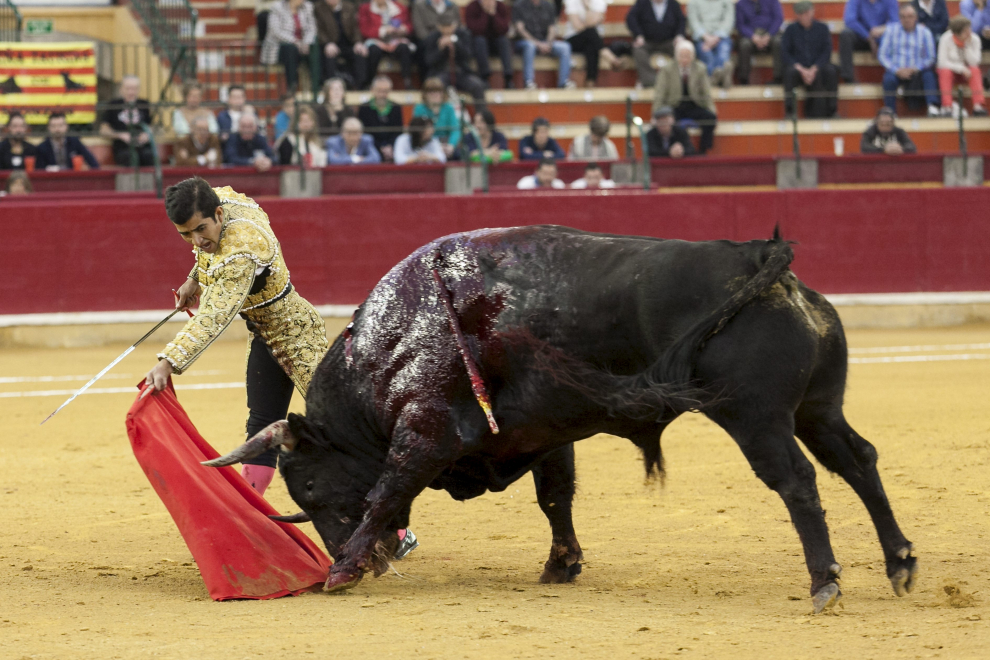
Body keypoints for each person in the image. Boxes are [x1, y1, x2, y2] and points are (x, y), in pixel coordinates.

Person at [146, 177, 419, 559]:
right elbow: (207, 251)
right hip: (265, 334)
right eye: (185, 234)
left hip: (297, 335)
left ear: (218, 215)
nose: (196, 240)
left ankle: (398, 529)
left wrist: (168, 361)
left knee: (343, 433)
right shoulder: (220, 203)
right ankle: (249, 517)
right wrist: (194, 278)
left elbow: (214, 316)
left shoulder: (242, 251)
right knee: (262, 424)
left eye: (201, 229)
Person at [652, 40, 717, 154]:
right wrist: (655, 114)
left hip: (694, 105)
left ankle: (703, 150)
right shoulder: (667, 69)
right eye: (682, 56)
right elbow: (659, 94)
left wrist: (712, 110)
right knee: (669, 123)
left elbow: (706, 94)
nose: (685, 59)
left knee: (710, 119)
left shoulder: (700, 68)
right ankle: (676, 150)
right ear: (677, 56)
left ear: (692, 57)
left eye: (687, 56)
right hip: (674, 106)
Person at [878, 4, 938, 116]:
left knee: (929, 75)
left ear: (916, 17)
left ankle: (932, 107)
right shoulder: (890, 31)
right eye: (903, 17)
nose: (907, 19)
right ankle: (891, 112)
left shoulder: (925, 32)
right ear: (899, 18)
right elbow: (882, 55)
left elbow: (931, 57)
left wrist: (915, 69)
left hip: (918, 70)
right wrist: (896, 70)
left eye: (910, 16)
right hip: (896, 70)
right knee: (888, 80)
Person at [781, 1, 839, 118]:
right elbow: (785, 53)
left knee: (831, 71)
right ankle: (790, 111)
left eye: (807, 13)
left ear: (812, 12)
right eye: (802, 14)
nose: (805, 16)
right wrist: (801, 69)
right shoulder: (790, 30)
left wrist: (814, 68)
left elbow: (826, 52)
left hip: (817, 67)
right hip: (798, 67)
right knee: (789, 73)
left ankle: (832, 110)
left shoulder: (822, 28)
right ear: (797, 15)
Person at [423, 14, 488, 101]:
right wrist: (440, 49)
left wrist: (456, 43)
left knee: (477, 85)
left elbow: (468, 56)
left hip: (462, 73)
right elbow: (429, 61)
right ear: (438, 26)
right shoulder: (432, 37)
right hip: (440, 73)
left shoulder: (463, 34)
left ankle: (481, 113)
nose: (447, 29)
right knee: (436, 86)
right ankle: (440, 114)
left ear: (455, 25)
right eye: (444, 26)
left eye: (449, 26)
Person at [512, 0, 575, 89]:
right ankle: (529, 82)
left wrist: (548, 43)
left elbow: (552, 28)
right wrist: (537, 43)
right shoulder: (519, 5)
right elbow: (520, 29)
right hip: (525, 42)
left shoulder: (548, 5)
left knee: (565, 47)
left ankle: (563, 82)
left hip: (545, 41)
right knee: (529, 46)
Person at [625, 0, 687, 88]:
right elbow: (631, 18)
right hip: (647, 41)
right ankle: (651, 82)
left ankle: (678, 83)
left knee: (682, 50)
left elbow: (682, 21)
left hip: (669, 41)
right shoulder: (642, 3)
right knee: (638, 50)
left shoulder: (674, 4)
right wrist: (638, 35)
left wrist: (679, 35)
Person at [260, 0, 317, 94]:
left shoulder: (307, 6)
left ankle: (315, 86)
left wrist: (306, 42)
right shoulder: (277, 7)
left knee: (314, 49)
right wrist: (295, 41)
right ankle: (292, 86)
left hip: (302, 46)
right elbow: (275, 31)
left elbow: (312, 28)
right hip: (279, 46)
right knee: (290, 50)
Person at [358, 0, 415, 90]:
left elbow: (409, 25)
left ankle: (407, 81)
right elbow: (364, 30)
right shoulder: (365, 8)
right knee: (373, 50)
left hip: (395, 40)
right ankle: (369, 82)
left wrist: (403, 29)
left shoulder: (400, 8)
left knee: (404, 48)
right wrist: (384, 30)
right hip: (376, 40)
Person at [937, 16, 987, 116]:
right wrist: (961, 68)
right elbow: (941, 62)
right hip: (951, 72)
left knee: (975, 70)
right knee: (945, 71)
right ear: (956, 33)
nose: (969, 32)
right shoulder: (945, 39)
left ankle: (978, 106)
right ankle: (947, 107)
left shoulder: (974, 39)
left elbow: (975, 62)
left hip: (967, 74)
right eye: (965, 31)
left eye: (969, 28)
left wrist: (966, 45)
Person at [100, 75, 155, 166]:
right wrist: (121, 135)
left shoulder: (144, 104)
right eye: (128, 88)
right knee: (130, 157)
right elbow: (103, 130)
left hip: (143, 146)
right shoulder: (113, 105)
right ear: (121, 89)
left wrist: (147, 134)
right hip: (123, 148)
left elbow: (152, 126)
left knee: (149, 156)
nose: (131, 92)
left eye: (134, 89)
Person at [840, 0, 899, 83]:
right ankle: (848, 78)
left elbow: (896, 22)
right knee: (846, 34)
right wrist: (867, 36)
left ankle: (894, 77)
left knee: (896, 36)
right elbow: (850, 21)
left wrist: (882, 29)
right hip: (861, 37)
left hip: (882, 38)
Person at [314, 0, 368, 90]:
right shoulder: (318, 8)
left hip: (348, 44)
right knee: (329, 55)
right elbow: (318, 29)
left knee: (360, 53)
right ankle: (330, 87)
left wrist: (358, 42)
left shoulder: (349, 7)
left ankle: (360, 87)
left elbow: (355, 27)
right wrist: (327, 43)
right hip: (329, 44)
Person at [465, 0, 514, 89]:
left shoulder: (501, 6)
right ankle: (484, 77)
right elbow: (475, 30)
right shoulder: (472, 7)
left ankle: (508, 77)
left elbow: (503, 29)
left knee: (504, 41)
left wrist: (494, 14)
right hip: (478, 45)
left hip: (496, 44)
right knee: (480, 41)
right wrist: (485, 13)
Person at [688, 0, 735, 88]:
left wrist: (715, 37)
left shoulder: (727, 2)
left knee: (723, 54)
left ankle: (715, 80)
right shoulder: (694, 2)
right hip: (702, 38)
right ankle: (722, 79)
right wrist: (706, 38)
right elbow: (693, 22)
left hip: (722, 37)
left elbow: (728, 21)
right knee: (707, 56)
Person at [735, 0, 784, 85]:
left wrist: (768, 35)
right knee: (744, 44)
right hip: (751, 36)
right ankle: (744, 80)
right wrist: (752, 36)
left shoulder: (773, 1)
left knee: (779, 42)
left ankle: (778, 78)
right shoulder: (741, 4)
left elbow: (778, 19)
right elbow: (740, 24)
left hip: (770, 34)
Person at [357, 75, 404, 161]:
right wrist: (381, 147)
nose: (382, 94)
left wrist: (390, 146)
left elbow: (398, 131)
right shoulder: (364, 108)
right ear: (372, 90)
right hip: (371, 147)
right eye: (379, 91)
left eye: (385, 91)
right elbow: (364, 132)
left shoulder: (396, 107)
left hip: (392, 147)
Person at [412, 77, 461, 158]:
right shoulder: (419, 109)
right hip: (426, 143)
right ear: (425, 94)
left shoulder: (448, 108)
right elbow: (417, 131)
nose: (435, 95)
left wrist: (451, 145)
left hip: (446, 143)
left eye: (438, 92)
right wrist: (436, 147)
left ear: (443, 93)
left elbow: (455, 130)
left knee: (458, 154)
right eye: (431, 92)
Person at [562, 0, 606, 88]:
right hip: (573, 40)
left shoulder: (599, 2)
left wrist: (587, 7)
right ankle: (607, 54)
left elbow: (590, 23)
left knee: (591, 46)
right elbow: (577, 26)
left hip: (589, 41)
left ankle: (590, 83)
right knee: (591, 34)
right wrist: (589, 24)